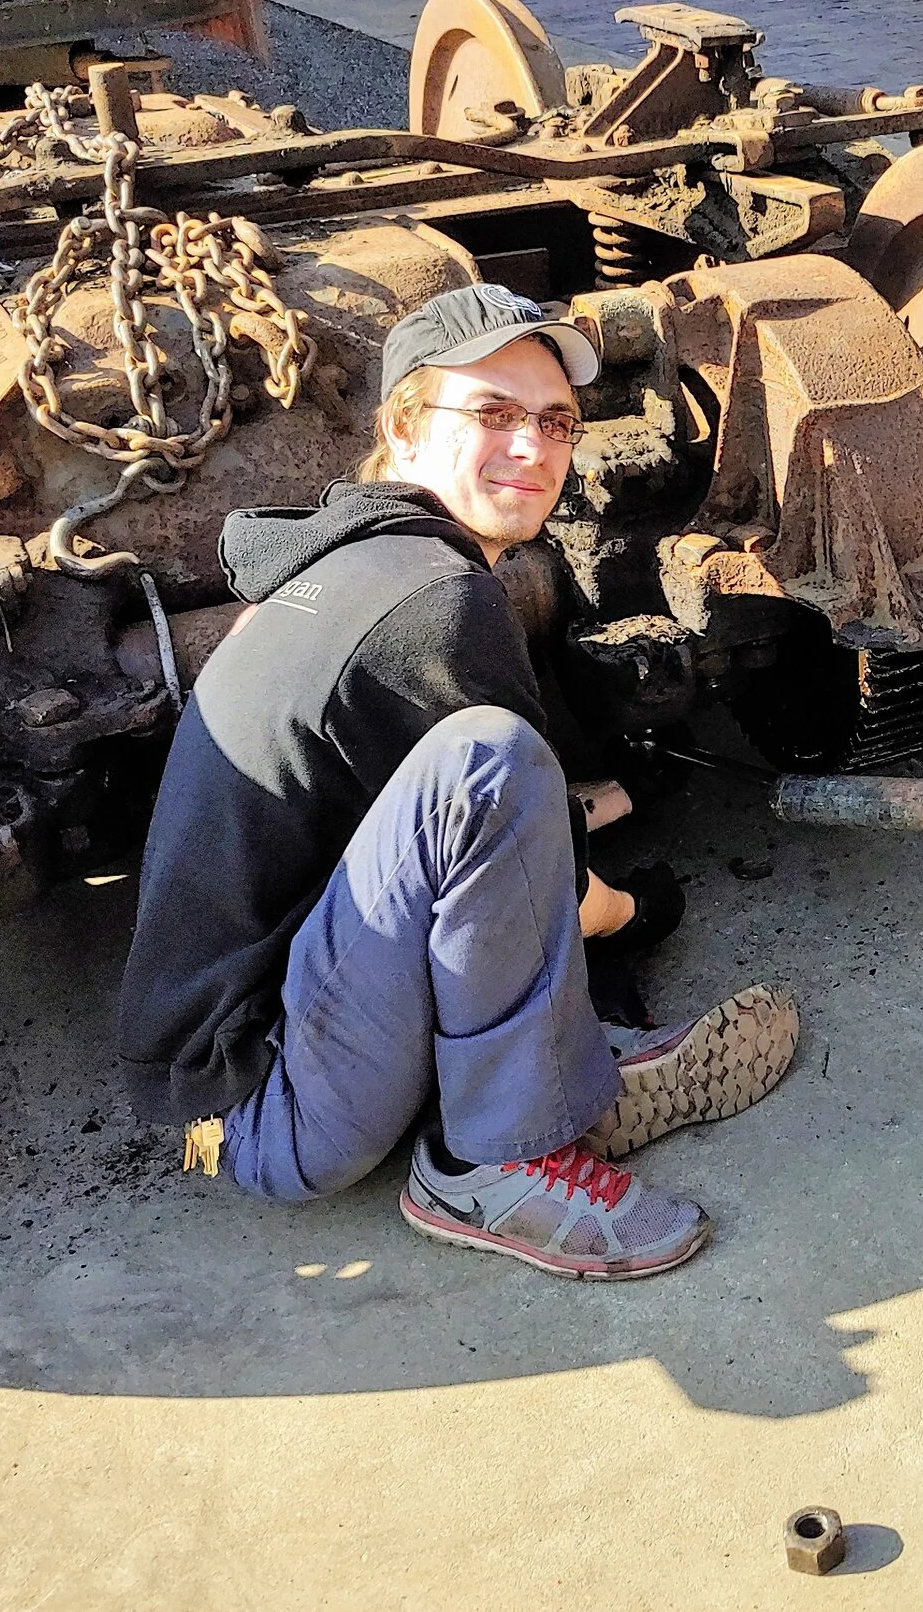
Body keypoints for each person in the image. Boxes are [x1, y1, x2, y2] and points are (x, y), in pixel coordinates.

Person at [117, 283, 799, 1279]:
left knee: (507, 799)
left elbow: (429, 846)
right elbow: (533, 863)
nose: (534, 446)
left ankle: (563, 1065)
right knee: (491, 762)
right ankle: (493, 1156)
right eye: (493, 412)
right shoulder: (437, 600)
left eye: (556, 422)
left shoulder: (341, 564)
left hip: (231, 1069)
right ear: (402, 426)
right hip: (264, 1108)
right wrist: (644, 907)